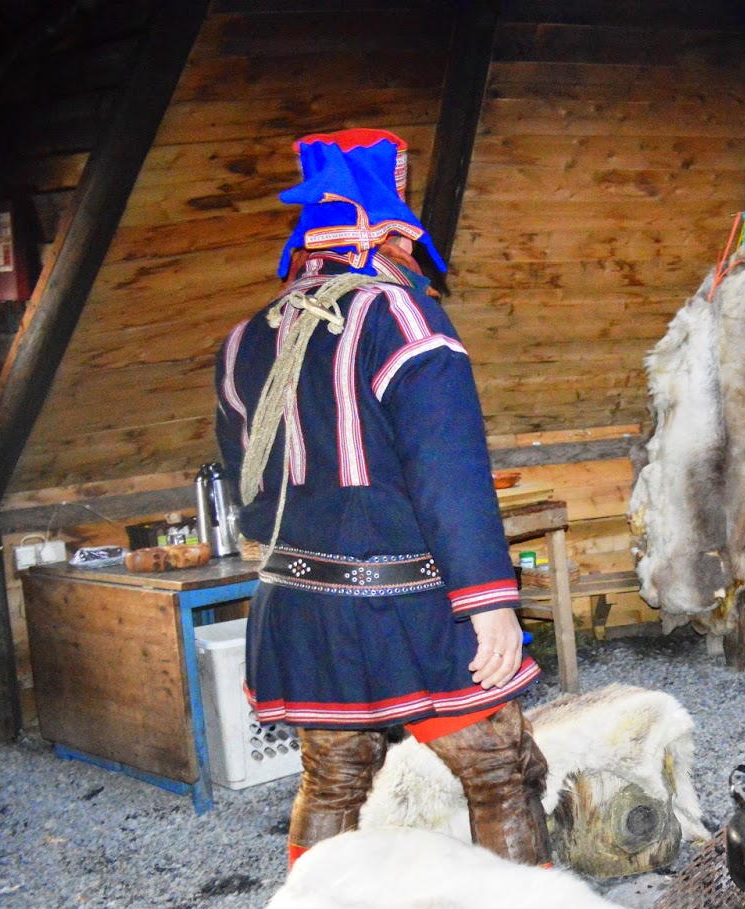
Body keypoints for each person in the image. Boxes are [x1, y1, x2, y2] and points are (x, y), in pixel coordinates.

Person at [215, 130, 549, 867]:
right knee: (499, 767)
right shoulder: (402, 319)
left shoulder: (244, 340)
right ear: (388, 231)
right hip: (402, 604)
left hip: (295, 603)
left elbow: (250, 488)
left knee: (333, 777)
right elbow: (448, 473)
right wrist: (489, 601)